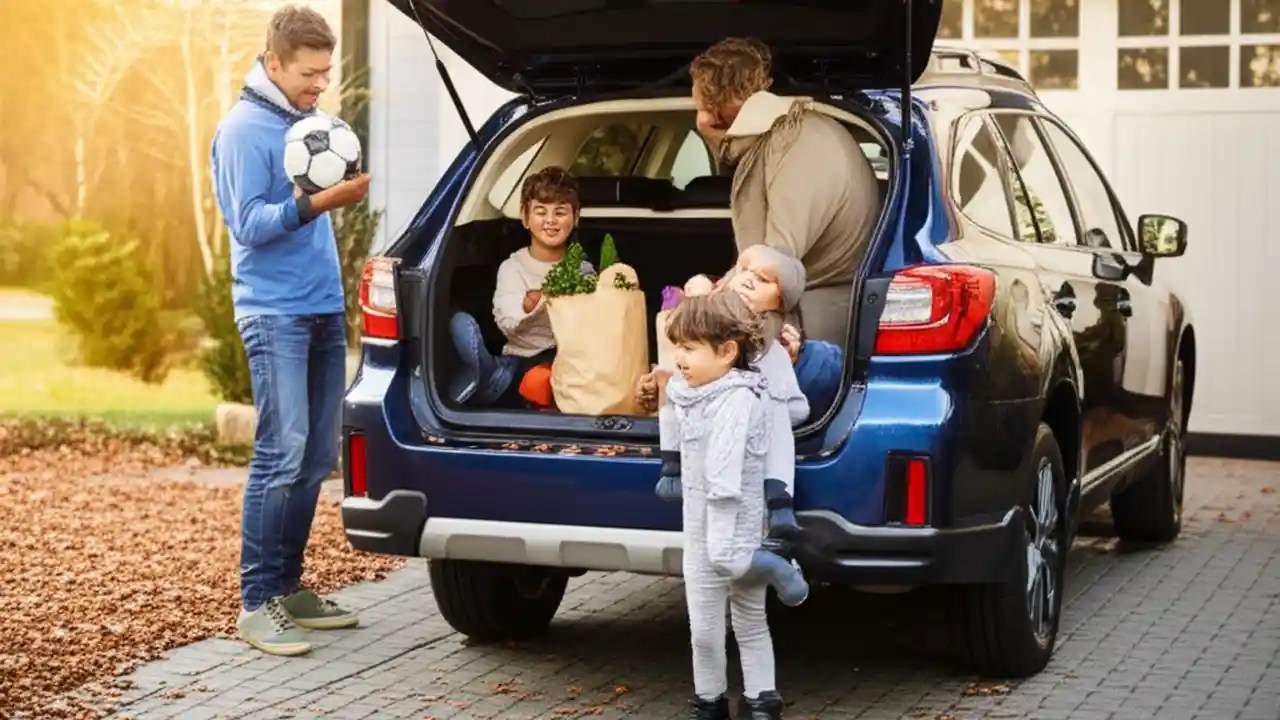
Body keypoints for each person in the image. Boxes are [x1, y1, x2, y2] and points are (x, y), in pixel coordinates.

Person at [211, 4, 370, 657]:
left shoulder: (306, 123)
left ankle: (289, 588)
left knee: (313, 457)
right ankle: (256, 602)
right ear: (274, 64)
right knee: (281, 452)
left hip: (321, 307)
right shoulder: (244, 130)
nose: (320, 85)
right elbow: (248, 225)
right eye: (309, 73)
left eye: (325, 73)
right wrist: (322, 203)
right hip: (273, 311)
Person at [663, 291, 807, 720]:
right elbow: (670, 416)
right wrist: (671, 469)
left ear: (726, 353)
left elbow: (725, 461)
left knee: (747, 612)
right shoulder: (687, 391)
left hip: (735, 510)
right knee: (704, 628)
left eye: (689, 349)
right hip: (698, 516)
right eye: (678, 348)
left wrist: (719, 495)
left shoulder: (741, 397)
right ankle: (709, 700)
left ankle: (763, 698)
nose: (680, 359)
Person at [690, 37, 880, 345]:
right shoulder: (801, 131)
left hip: (812, 329)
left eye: (701, 106)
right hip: (831, 311)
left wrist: (705, 302)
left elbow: (769, 270)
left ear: (715, 108)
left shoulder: (785, 147)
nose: (702, 119)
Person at [448, 167, 595, 407]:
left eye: (560, 212)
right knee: (524, 377)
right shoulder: (513, 268)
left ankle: (494, 380)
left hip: (572, 361)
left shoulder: (583, 270)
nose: (550, 220)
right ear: (525, 218)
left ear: (576, 217)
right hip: (522, 358)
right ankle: (488, 374)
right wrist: (528, 307)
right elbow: (507, 320)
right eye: (540, 212)